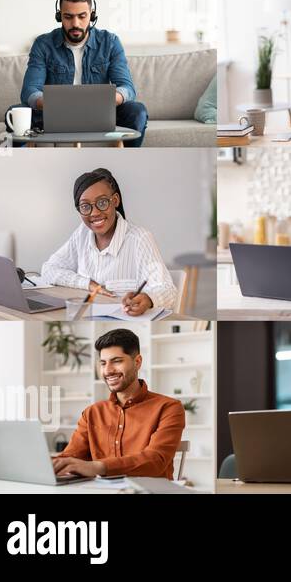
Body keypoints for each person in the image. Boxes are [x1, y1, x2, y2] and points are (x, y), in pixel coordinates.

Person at [11, 0, 148, 146]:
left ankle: (130, 162)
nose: (75, 23)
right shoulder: (43, 44)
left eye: (82, 16)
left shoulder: (110, 42)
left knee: (137, 111)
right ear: (59, 16)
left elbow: (127, 88)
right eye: (68, 17)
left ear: (92, 15)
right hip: (54, 114)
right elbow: (29, 90)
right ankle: (20, 165)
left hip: (101, 113)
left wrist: (106, 100)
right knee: (14, 114)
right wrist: (52, 103)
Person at [41, 168, 177, 316]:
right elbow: (49, 269)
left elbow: (167, 290)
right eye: (86, 206)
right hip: (87, 315)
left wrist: (148, 298)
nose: (94, 213)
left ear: (115, 200)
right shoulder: (82, 233)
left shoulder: (140, 239)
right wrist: (88, 284)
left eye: (102, 202)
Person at [53, 329, 186, 479]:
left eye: (116, 361)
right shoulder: (92, 413)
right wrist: (46, 465)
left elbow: (155, 460)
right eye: (103, 363)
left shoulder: (169, 408)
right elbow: (70, 457)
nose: (108, 370)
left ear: (137, 362)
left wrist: (97, 467)